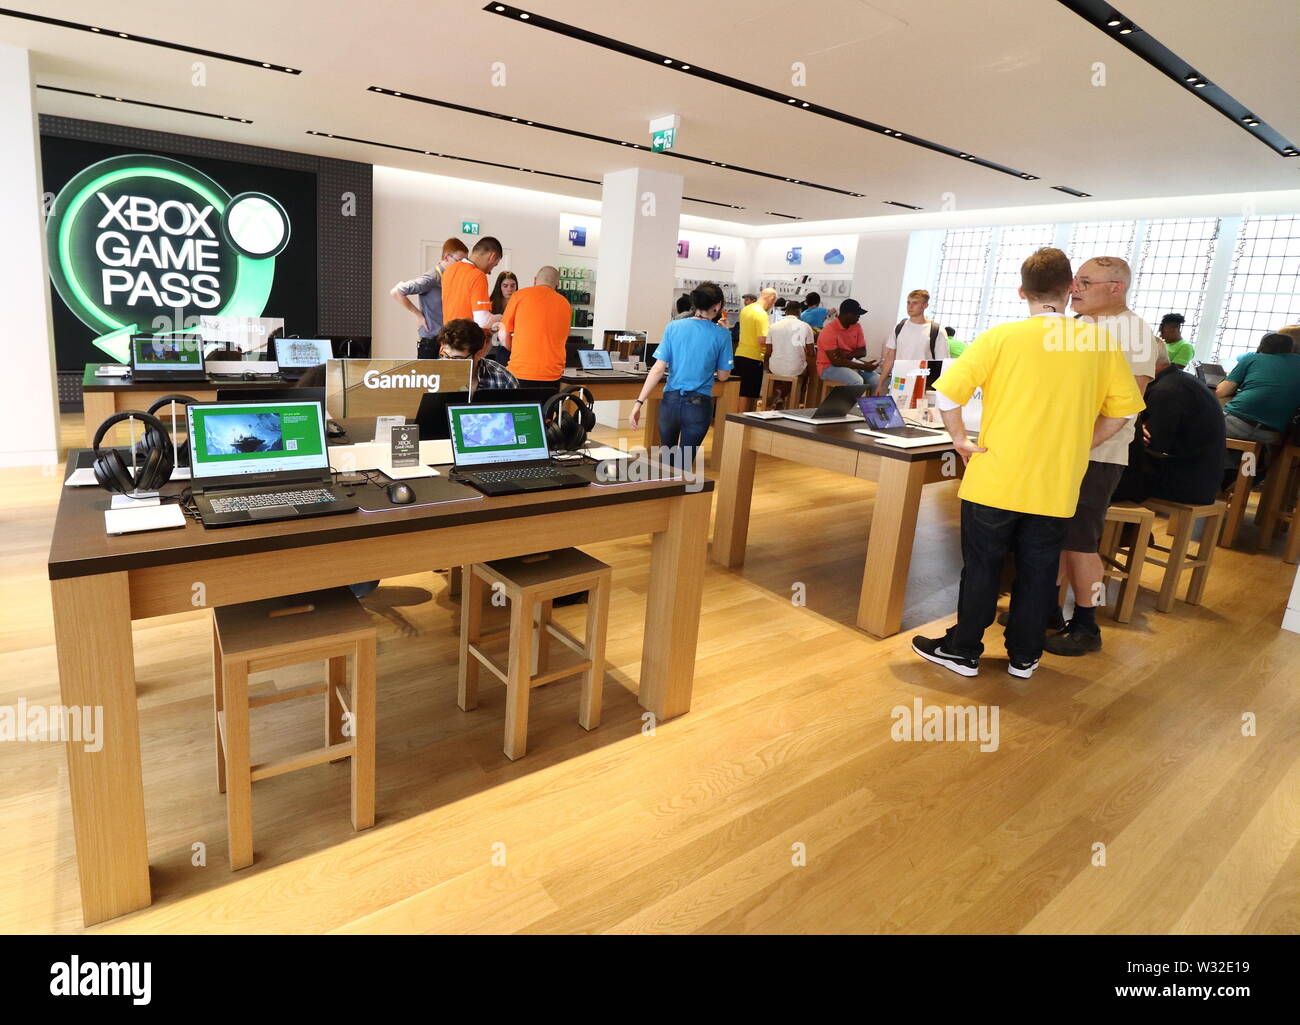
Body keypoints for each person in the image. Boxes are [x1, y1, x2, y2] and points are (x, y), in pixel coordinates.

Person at [912, 248, 1144, 679]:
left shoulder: (1000, 337)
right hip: (1056, 481)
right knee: (1039, 569)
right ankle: (1025, 654)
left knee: (983, 566)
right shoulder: (1098, 343)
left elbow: (946, 394)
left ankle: (964, 649)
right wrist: (1081, 442)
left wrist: (960, 440)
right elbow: (1124, 412)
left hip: (995, 476)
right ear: (1071, 287)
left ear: (1022, 291)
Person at [1045, 255, 1159, 657]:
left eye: (1087, 282)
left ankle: (1087, 623)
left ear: (1116, 288)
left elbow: (1130, 400)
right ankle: (1049, 612)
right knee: (1057, 531)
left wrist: (1083, 441)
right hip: (1063, 447)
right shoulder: (1076, 326)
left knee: (1081, 538)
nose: (1075, 287)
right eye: (1076, 280)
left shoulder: (1135, 332)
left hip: (1101, 451)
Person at [630, 282, 733, 469]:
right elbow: (724, 376)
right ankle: (679, 496)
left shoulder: (673, 327)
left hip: (670, 401)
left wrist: (639, 403)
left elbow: (658, 369)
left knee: (666, 461)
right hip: (699, 404)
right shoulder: (722, 335)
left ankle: (663, 495)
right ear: (717, 306)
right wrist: (725, 333)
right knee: (684, 464)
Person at [1113, 341, 1224, 505]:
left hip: (1185, 482)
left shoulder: (1165, 392)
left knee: (1095, 481)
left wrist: (1132, 428)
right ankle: (1130, 530)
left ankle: (1125, 529)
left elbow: (1152, 445)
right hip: (1194, 475)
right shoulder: (1178, 381)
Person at [1216, 331, 1300, 462]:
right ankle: (1241, 476)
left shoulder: (1252, 358)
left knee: (1195, 426)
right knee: (1246, 456)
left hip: (1236, 422)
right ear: (1291, 349)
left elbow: (1221, 392)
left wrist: (1235, 375)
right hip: (1272, 434)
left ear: (1261, 347)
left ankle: (1221, 472)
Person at [497, 266, 572, 392]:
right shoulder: (566, 304)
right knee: (546, 411)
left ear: (535, 280)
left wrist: (514, 348)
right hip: (552, 375)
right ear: (557, 285)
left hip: (521, 371)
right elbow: (563, 338)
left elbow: (503, 333)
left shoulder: (519, 296)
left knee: (520, 411)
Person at [390, 237, 468, 359]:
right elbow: (396, 291)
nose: (462, 266)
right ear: (447, 257)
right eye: (459, 261)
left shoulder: (450, 277)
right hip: (431, 341)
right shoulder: (432, 277)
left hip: (446, 340)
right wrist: (419, 315)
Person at [875, 289, 948, 395]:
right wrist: (880, 383)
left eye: (915, 303)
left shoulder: (936, 331)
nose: (910, 306)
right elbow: (890, 357)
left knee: (916, 411)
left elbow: (942, 363)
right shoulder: (899, 327)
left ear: (924, 305)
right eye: (908, 302)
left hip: (923, 383)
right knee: (897, 411)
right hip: (899, 381)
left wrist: (941, 391)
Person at [437, 318, 518, 390]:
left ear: (479, 354)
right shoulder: (430, 377)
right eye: (445, 356)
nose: (449, 364)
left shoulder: (502, 380)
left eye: (458, 359)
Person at [816, 298, 879, 391]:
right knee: (857, 381)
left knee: (877, 380)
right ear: (847, 314)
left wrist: (845, 355)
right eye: (857, 314)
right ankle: (850, 406)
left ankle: (869, 405)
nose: (859, 317)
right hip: (828, 367)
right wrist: (863, 366)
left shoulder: (857, 326)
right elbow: (836, 362)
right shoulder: (829, 330)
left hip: (850, 363)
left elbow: (862, 352)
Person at [441, 236, 502, 328]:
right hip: (467, 339)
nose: (490, 272)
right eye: (494, 265)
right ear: (492, 257)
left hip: (447, 338)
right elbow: (483, 321)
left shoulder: (449, 270)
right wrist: (503, 317)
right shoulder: (477, 275)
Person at [735, 288, 776, 412]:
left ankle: (735, 421)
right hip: (754, 357)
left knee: (740, 391)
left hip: (740, 353)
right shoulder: (761, 314)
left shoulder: (746, 310)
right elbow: (762, 339)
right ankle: (742, 422)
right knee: (748, 393)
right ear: (772, 299)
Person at [766, 301, 815, 396]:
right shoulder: (805, 326)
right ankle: (798, 399)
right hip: (795, 369)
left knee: (781, 373)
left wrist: (766, 367)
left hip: (775, 368)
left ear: (786, 312)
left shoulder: (773, 326)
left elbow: (768, 352)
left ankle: (779, 394)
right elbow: (812, 353)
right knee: (807, 372)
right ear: (799, 311)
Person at [483, 270, 519, 363]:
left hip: (511, 346)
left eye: (513, 285)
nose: (509, 289)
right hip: (492, 347)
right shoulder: (491, 304)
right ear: (500, 287)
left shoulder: (520, 304)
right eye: (505, 286)